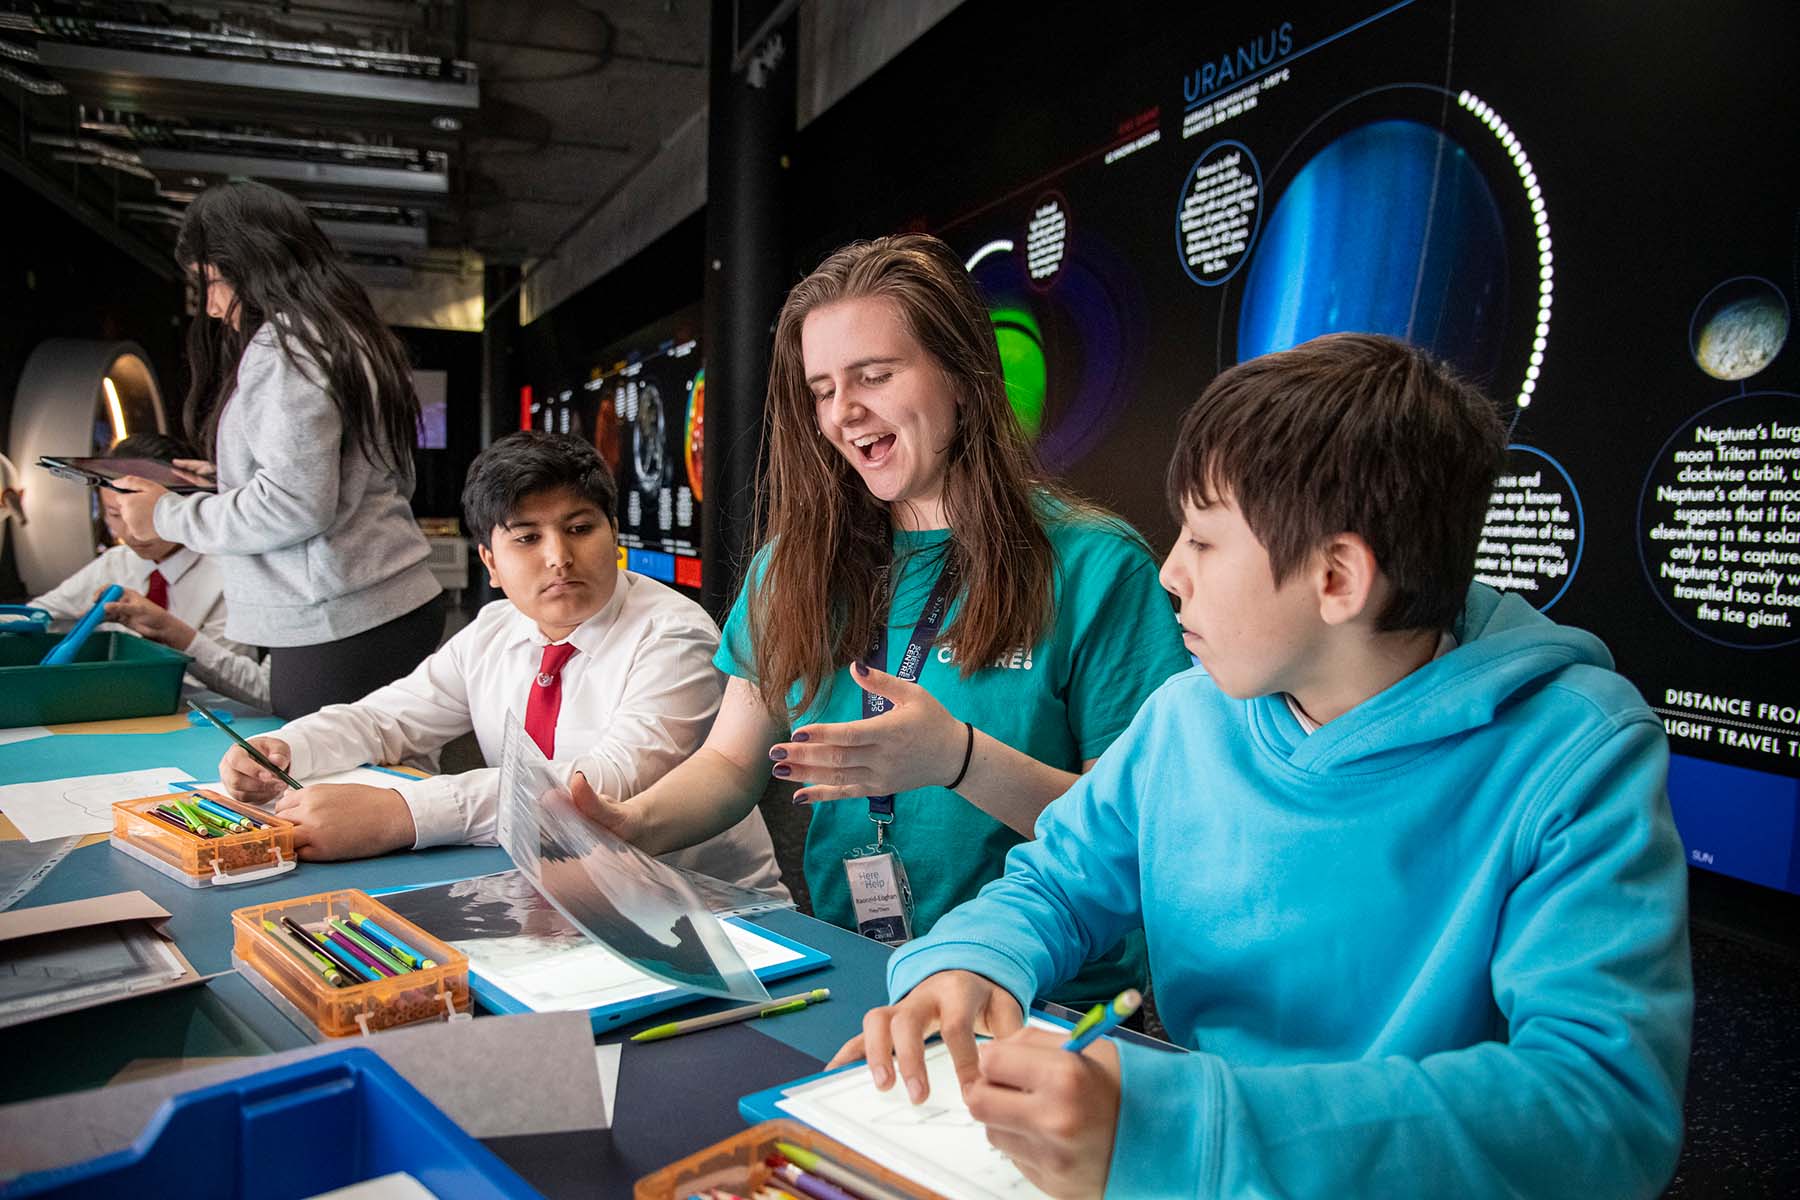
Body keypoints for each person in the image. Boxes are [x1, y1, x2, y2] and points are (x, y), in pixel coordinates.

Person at [844, 333, 1693, 1199]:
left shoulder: (1577, 758)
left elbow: (1602, 1112)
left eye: (1206, 542)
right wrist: (976, 958)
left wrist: (1187, 1128)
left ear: (1337, 578)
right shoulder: (1188, 714)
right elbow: (1060, 882)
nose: (1170, 571)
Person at [573, 234, 1189, 1001]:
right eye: (823, 389)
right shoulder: (793, 566)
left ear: (965, 376)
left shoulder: (1096, 567)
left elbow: (1130, 833)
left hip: (1039, 993)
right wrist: (633, 825)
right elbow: (731, 765)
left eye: (873, 376)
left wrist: (958, 760)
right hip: (853, 972)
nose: (844, 413)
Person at [215, 431, 782, 891]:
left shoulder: (674, 634)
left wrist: (399, 814)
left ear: (613, 535)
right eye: (527, 538)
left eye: (579, 529)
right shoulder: (496, 629)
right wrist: (289, 748)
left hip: (702, 905)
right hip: (558, 891)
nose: (558, 557)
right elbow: (385, 719)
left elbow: (597, 789)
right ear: (490, 561)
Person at [109, 180, 444, 719]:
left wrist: (165, 513)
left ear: (253, 263)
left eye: (213, 283)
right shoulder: (341, 334)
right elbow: (361, 477)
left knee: (324, 784)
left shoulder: (285, 346)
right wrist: (228, 480)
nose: (214, 308)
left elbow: (296, 504)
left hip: (342, 616)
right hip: (374, 605)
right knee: (376, 774)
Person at [31, 431, 267, 706]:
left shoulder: (230, 572)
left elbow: (249, 691)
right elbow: (39, 616)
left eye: (142, 513)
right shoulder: (117, 561)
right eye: (115, 515)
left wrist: (173, 634)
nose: (131, 532)